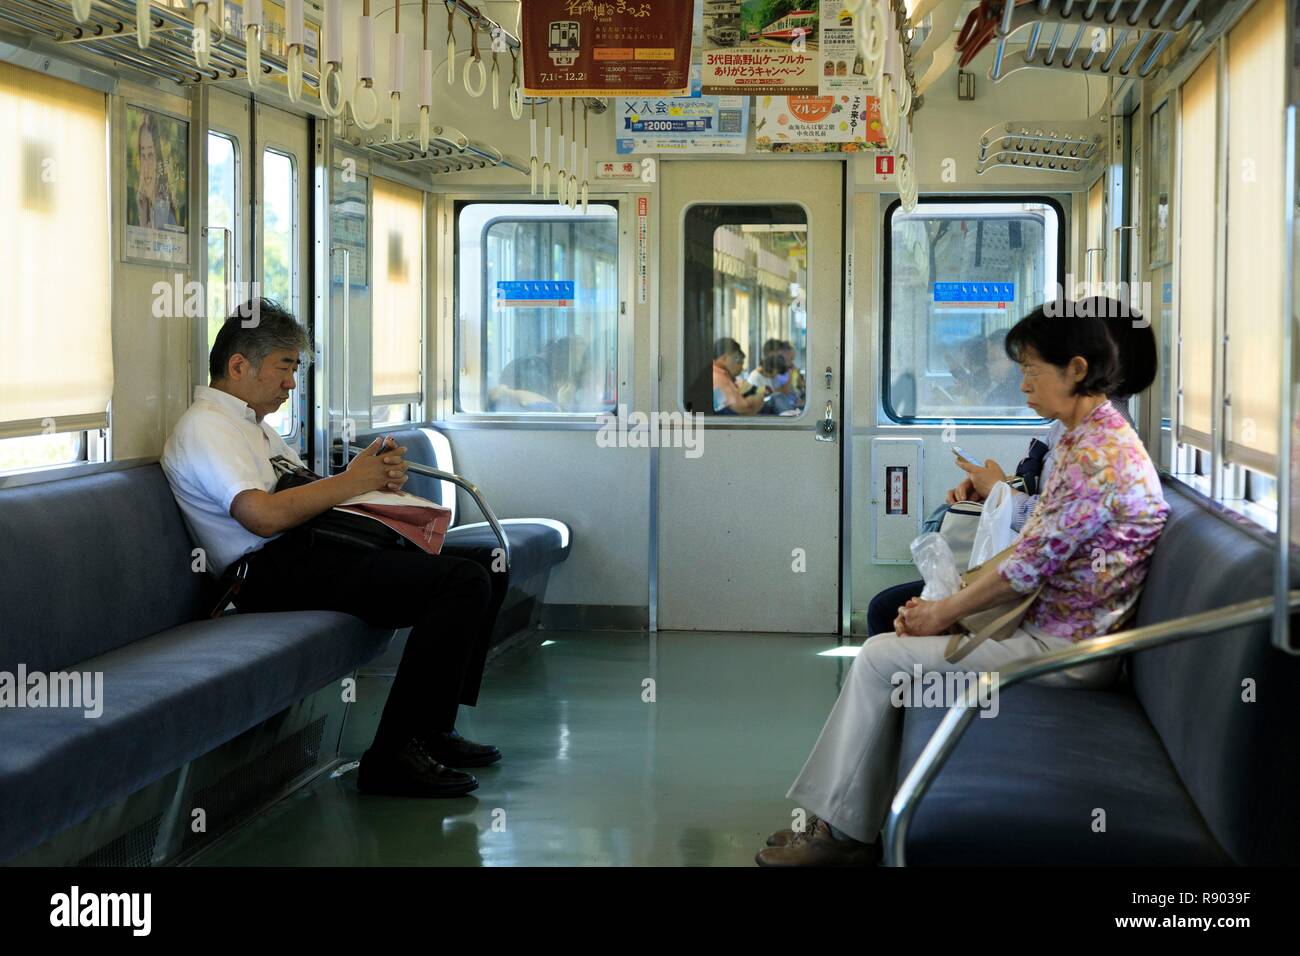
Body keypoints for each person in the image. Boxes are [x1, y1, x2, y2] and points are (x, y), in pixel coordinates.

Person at [758, 298, 1169, 866]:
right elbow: (1033, 547)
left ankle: (843, 837)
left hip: (1067, 653)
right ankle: (846, 823)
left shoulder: (1099, 455)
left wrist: (944, 612)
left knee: (881, 657)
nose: (1022, 384)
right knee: (895, 644)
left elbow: (1027, 566)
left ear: (1077, 369)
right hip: (1044, 626)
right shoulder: (1082, 437)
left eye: (1032, 370)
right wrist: (945, 606)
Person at [161, 299, 503, 800]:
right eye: (284, 368)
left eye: (294, 370)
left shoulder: (255, 427)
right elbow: (262, 515)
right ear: (239, 365)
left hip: (304, 557)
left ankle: (432, 731)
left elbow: (302, 495)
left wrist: (366, 485)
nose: (291, 384)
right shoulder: (208, 427)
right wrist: (349, 482)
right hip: (265, 573)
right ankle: (392, 758)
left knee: (482, 568)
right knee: (460, 582)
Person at [864, 308, 1156, 635]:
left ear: (1082, 362)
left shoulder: (1101, 448)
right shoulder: (1076, 429)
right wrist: (996, 486)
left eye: (1032, 368)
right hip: (1040, 592)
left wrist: (1002, 494)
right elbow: (1052, 510)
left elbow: (1040, 549)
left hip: (1058, 618)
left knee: (884, 622)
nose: (1023, 385)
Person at [133, 112, 178, 230]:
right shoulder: (147, 207)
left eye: (151, 155)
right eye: (143, 155)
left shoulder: (164, 212)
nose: (146, 166)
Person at [711, 337, 764, 415]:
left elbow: (759, 392)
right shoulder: (718, 379)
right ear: (723, 358)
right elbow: (744, 409)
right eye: (736, 358)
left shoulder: (726, 377)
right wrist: (757, 399)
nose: (741, 367)